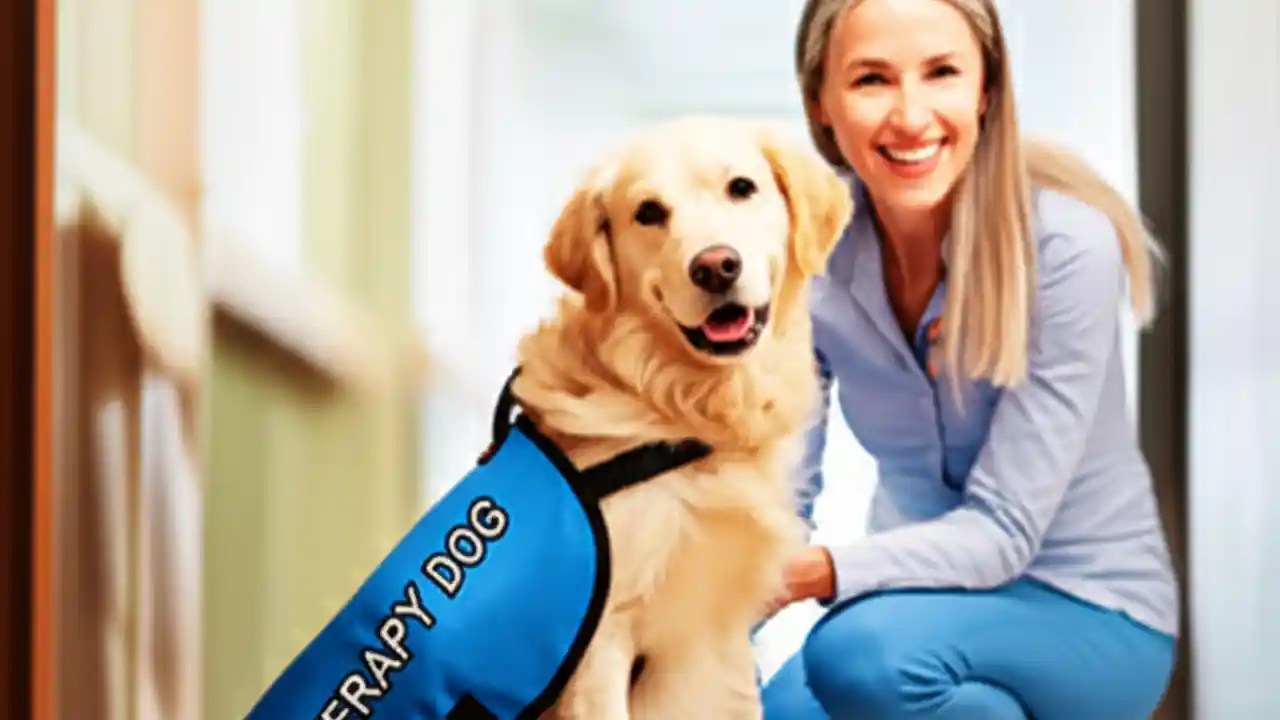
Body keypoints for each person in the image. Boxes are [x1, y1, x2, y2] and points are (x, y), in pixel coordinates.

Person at [759, 1, 1179, 718]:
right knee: (776, 708)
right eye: (872, 80)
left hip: (1086, 609)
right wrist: (698, 625)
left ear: (985, 90)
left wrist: (816, 573)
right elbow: (782, 493)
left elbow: (1004, 534)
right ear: (820, 104)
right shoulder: (810, 260)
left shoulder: (1067, 249)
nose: (911, 115)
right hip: (912, 614)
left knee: (856, 657)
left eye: (941, 73)